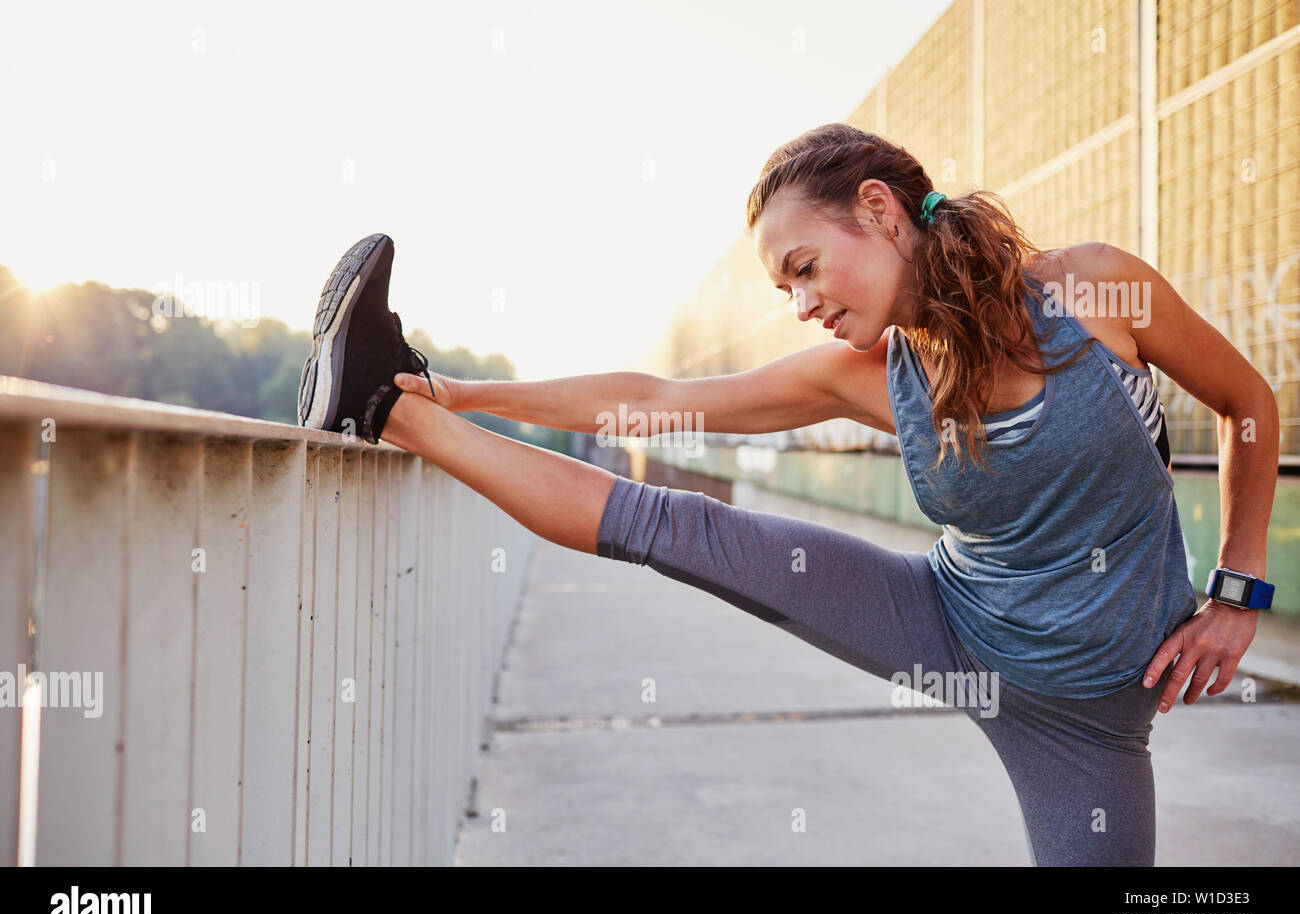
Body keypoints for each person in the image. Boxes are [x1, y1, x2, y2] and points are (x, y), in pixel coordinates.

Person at [296, 124, 1279, 866]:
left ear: (881, 209)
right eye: (783, 289)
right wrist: (455, 389)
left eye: (804, 267)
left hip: (1087, 713)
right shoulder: (870, 375)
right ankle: (385, 400)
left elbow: (1245, 403)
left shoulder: (1094, 294)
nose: (801, 301)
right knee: (675, 525)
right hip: (945, 618)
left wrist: (1240, 591)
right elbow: (656, 402)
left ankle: (389, 395)